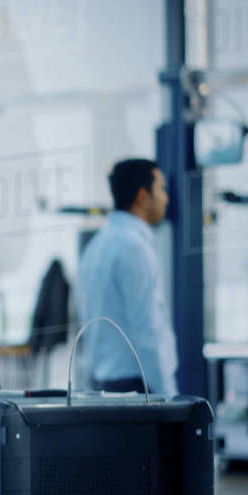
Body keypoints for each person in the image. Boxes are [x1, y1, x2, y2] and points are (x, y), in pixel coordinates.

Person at [76, 158, 177, 395]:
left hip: (104, 382)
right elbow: (147, 330)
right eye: (161, 189)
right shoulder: (134, 248)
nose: (166, 198)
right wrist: (169, 396)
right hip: (137, 385)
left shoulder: (98, 244)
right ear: (143, 196)